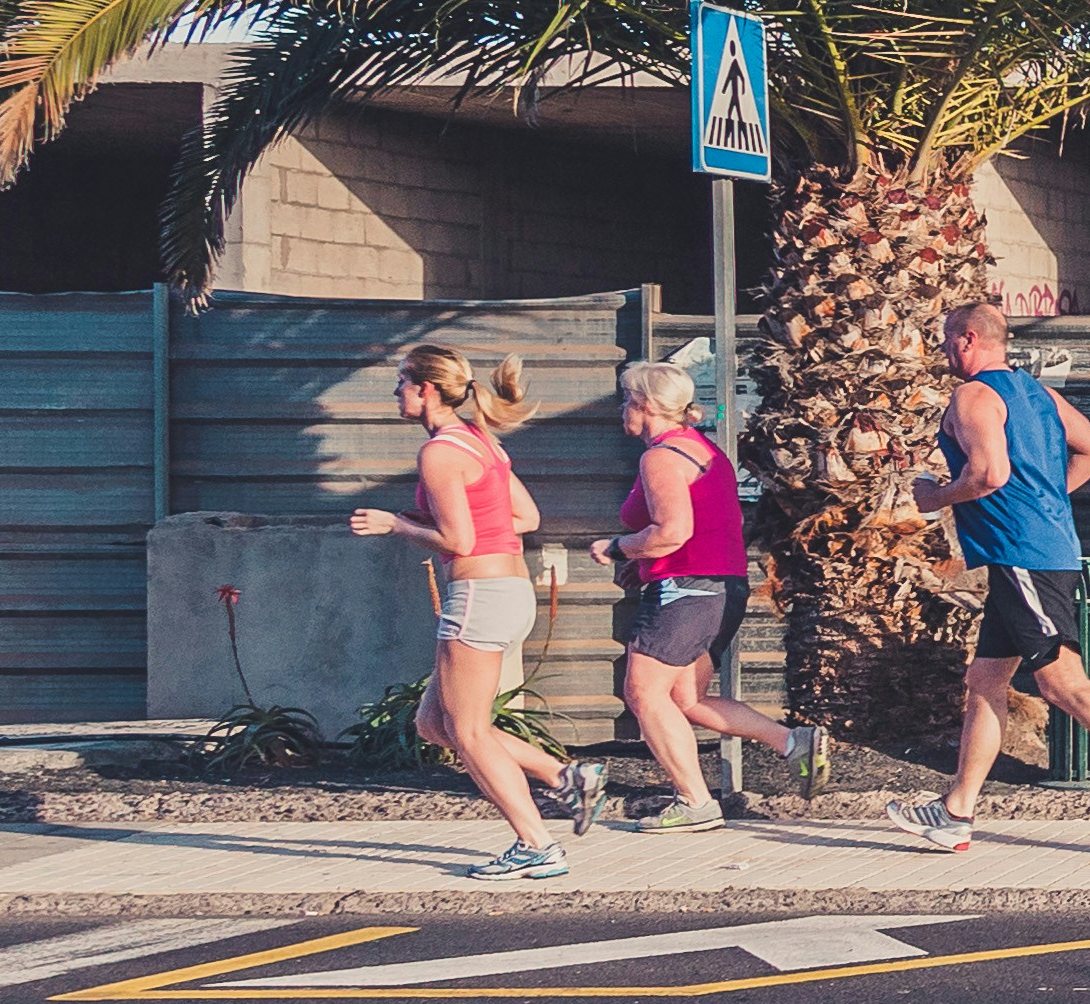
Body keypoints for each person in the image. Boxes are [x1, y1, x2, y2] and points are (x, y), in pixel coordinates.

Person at [889, 302, 1090, 852]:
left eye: (946, 339)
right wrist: (1046, 500)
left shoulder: (972, 396)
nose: (943, 350)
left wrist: (933, 499)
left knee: (1060, 682)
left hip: (1020, 556)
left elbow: (989, 474)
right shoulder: (1039, 393)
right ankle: (956, 812)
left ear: (968, 339)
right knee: (985, 682)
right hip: (1040, 550)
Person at [343, 343, 598, 879]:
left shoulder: (439, 453)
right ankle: (567, 777)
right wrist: (438, 514)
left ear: (426, 389)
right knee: (434, 724)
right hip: (509, 593)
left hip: (479, 597)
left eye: (401, 384)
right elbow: (524, 517)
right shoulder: (482, 443)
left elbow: (457, 540)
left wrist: (398, 524)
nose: (396, 393)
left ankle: (537, 844)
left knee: (470, 732)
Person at [598, 359, 813, 830]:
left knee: (642, 693)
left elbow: (672, 531)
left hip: (687, 590)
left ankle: (695, 802)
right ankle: (791, 742)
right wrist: (645, 562)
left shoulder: (662, 457)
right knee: (685, 698)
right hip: (719, 586)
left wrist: (618, 549)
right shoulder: (699, 449)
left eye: (625, 400)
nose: (620, 410)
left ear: (646, 404)